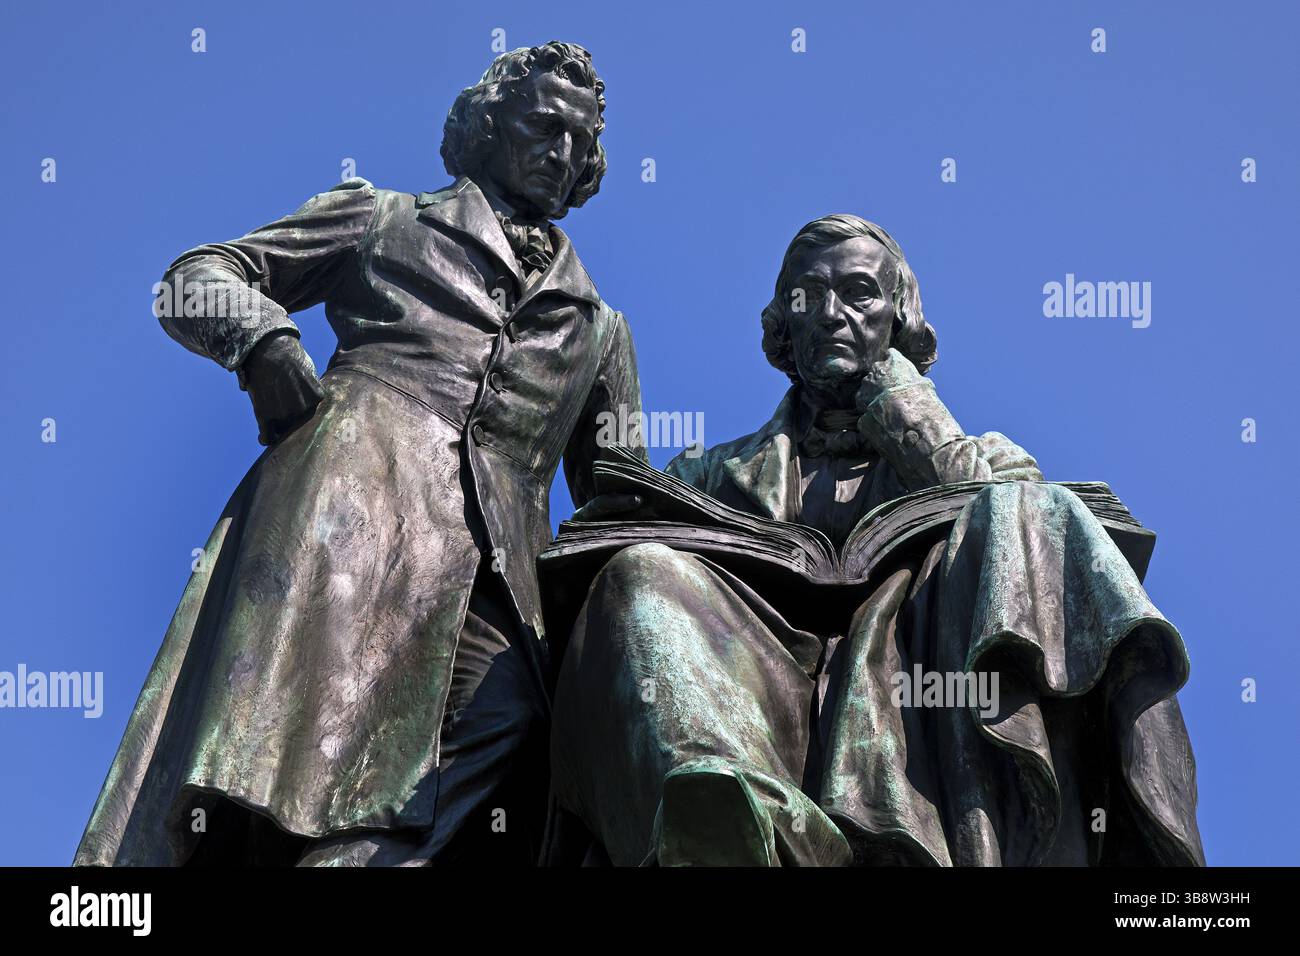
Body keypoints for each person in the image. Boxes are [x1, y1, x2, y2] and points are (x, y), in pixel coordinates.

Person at [75, 41, 644, 867]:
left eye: (579, 141)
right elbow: (196, 276)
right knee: (301, 757)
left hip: (500, 579)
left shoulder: (599, 327)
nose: (561, 152)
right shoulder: (382, 217)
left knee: (507, 729)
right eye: (542, 126)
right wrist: (260, 340)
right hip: (344, 511)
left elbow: (624, 498)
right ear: (488, 128)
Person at [547, 215, 1203, 866]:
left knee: (1025, 511)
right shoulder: (712, 474)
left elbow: (1017, 548)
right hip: (757, 688)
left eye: (859, 292)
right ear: (784, 325)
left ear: (900, 317)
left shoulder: (990, 460)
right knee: (638, 571)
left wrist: (912, 421)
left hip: (915, 698)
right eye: (809, 296)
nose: (832, 313)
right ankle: (729, 804)